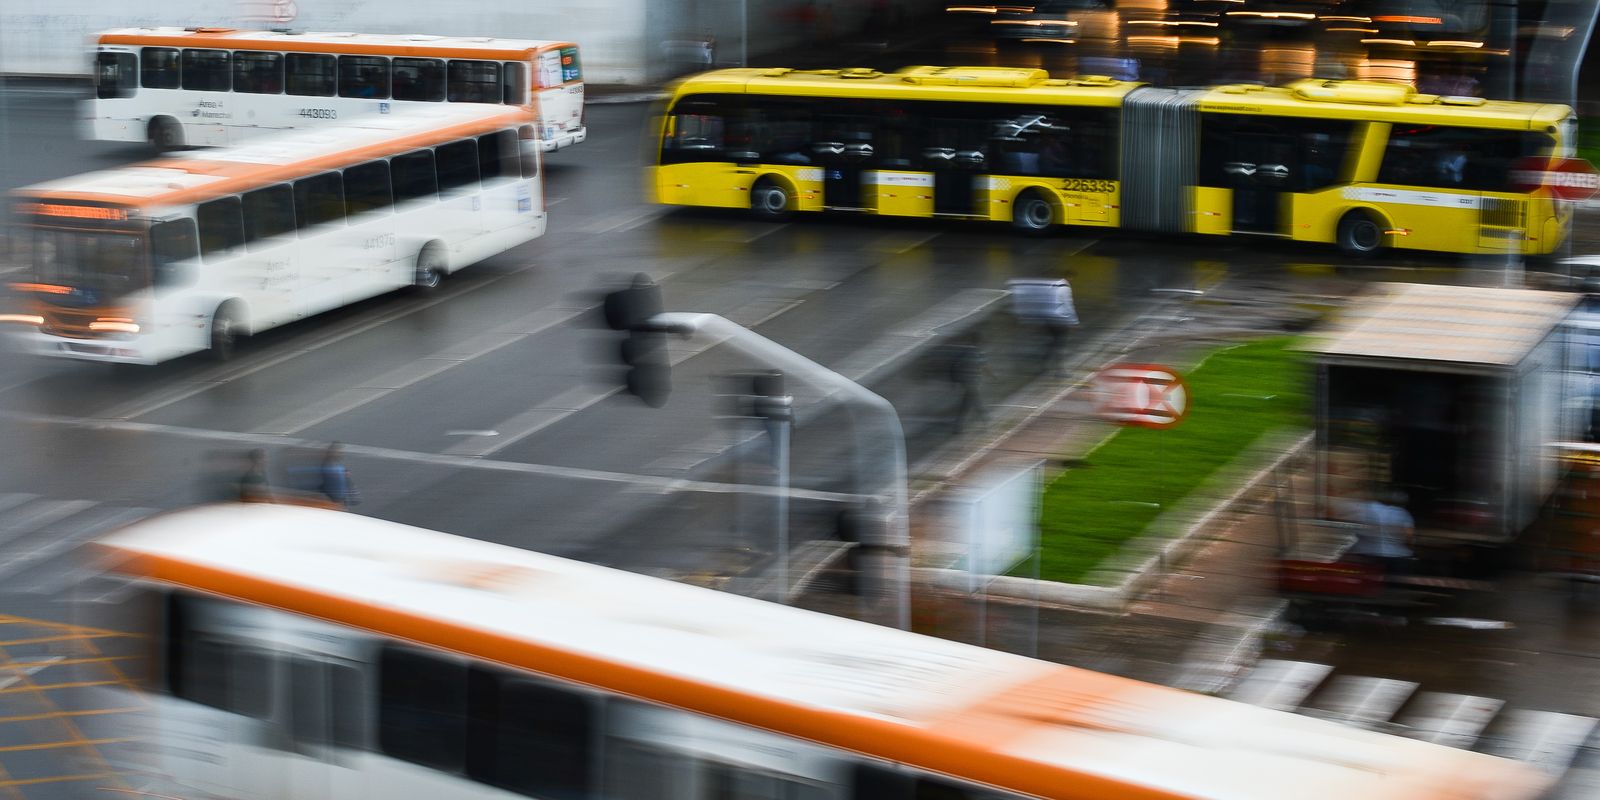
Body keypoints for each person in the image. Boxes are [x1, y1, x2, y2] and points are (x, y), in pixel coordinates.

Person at [1008, 277, 1079, 376]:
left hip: (1048, 320)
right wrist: (1074, 321)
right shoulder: (1065, 288)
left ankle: (1042, 367)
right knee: (1060, 345)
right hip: (1061, 321)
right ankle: (1060, 370)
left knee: (1049, 344)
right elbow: (1068, 305)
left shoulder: (1050, 287)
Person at [1351, 489, 1415, 578]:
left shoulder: (1368, 508)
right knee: (1395, 583)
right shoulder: (1403, 513)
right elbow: (1409, 535)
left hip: (1371, 554)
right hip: (1397, 556)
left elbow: (1358, 530)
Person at [319, 443, 360, 509]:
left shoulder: (338, 468)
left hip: (337, 500)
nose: (341, 454)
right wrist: (354, 497)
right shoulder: (330, 468)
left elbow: (349, 483)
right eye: (338, 452)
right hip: (332, 500)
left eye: (340, 452)